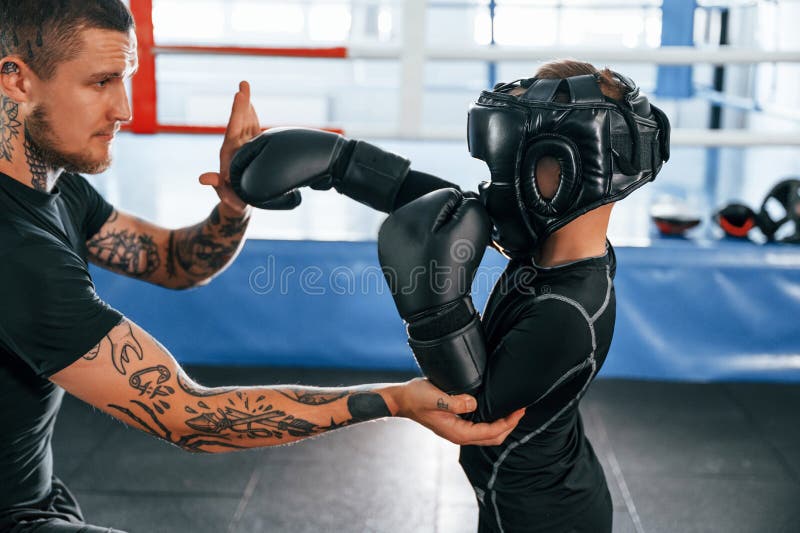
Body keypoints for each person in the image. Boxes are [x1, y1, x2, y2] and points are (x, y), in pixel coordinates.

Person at [0, 2, 525, 532]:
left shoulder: (56, 189)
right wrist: (394, 400)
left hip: (37, 499)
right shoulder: (15, 251)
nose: (124, 109)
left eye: (125, 78)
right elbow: (189, 417)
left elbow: (175, 262)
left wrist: (233, 205)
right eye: (100, 82)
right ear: (16, 80)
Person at [231, 59, 670, 532]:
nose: (499, 183)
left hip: (541, 517)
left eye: (519, 162)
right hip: (533, 489)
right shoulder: (558, 242)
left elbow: (472, 408)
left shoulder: (570, 314)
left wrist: (432, 309)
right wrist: (341, 163)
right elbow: (441, 205)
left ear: (576, 171)